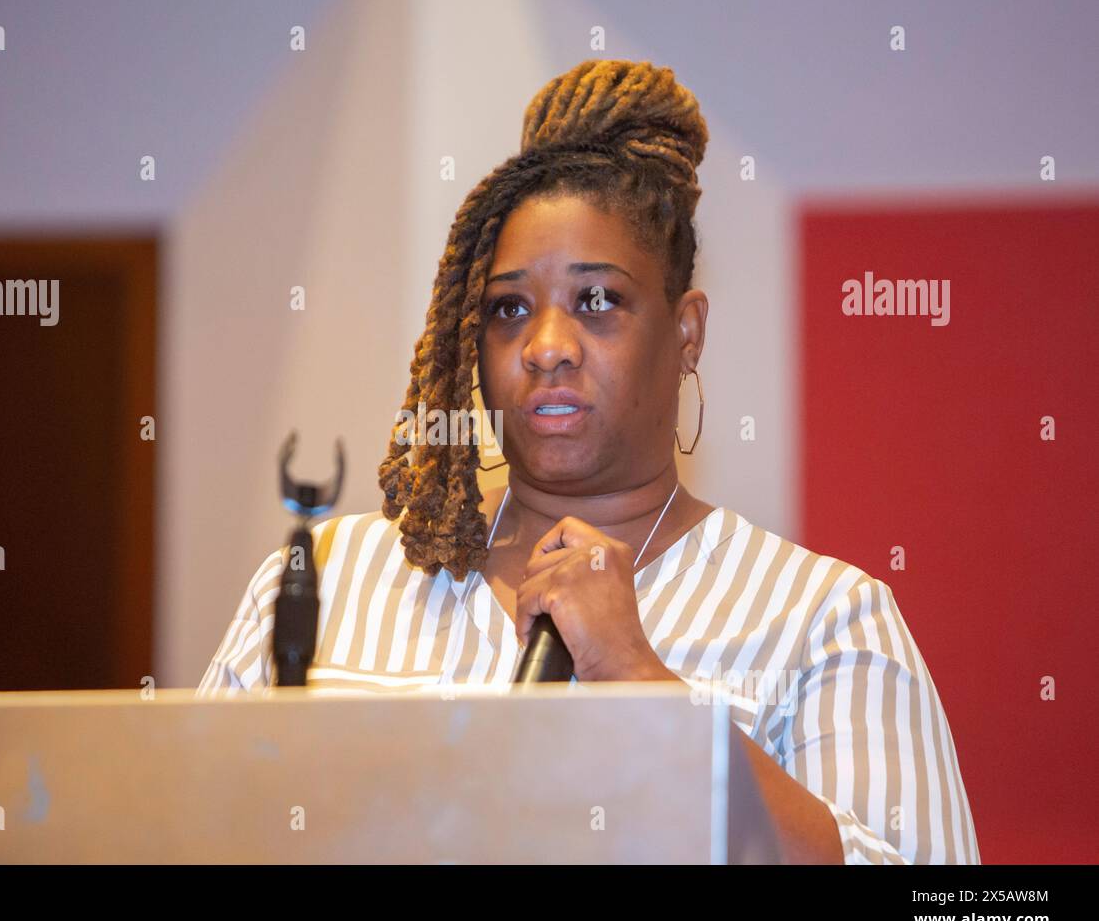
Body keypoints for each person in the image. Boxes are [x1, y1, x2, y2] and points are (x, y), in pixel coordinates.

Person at [197, 59, 979, 865]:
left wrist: (644, 684)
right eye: (509, 310)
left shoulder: (827, 621)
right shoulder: (325, 582)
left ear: (686, 334)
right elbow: (176, 829)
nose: (545, 348)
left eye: (597, 301)